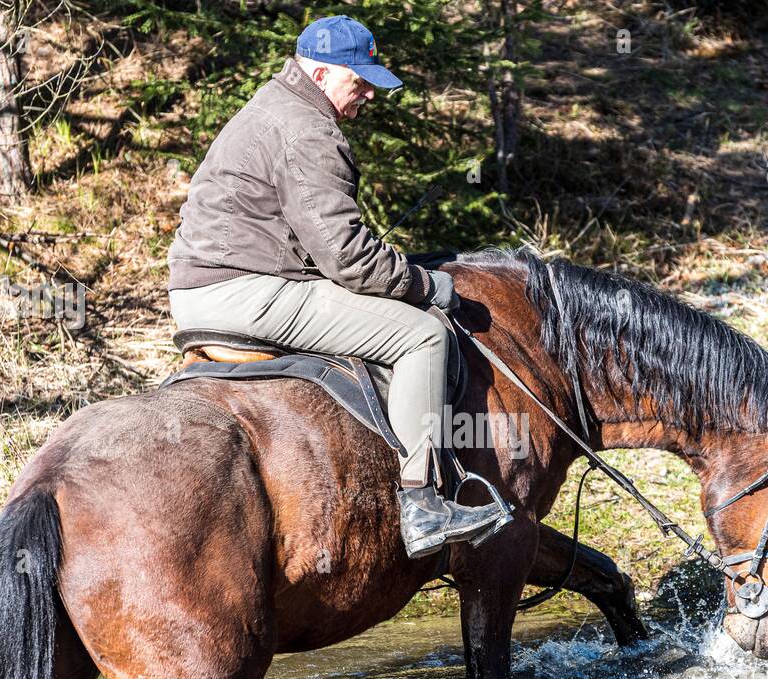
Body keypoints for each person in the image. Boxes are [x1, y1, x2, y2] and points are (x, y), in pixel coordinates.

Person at [167, 14, 511, 559]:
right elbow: (350, 260)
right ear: (322, 73)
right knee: (422, 335)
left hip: (207, 288)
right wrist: (426, 286)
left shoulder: (274, 106)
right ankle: (423, 503)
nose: (370, 93)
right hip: (244, 292)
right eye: (361, 80)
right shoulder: (308, 129)